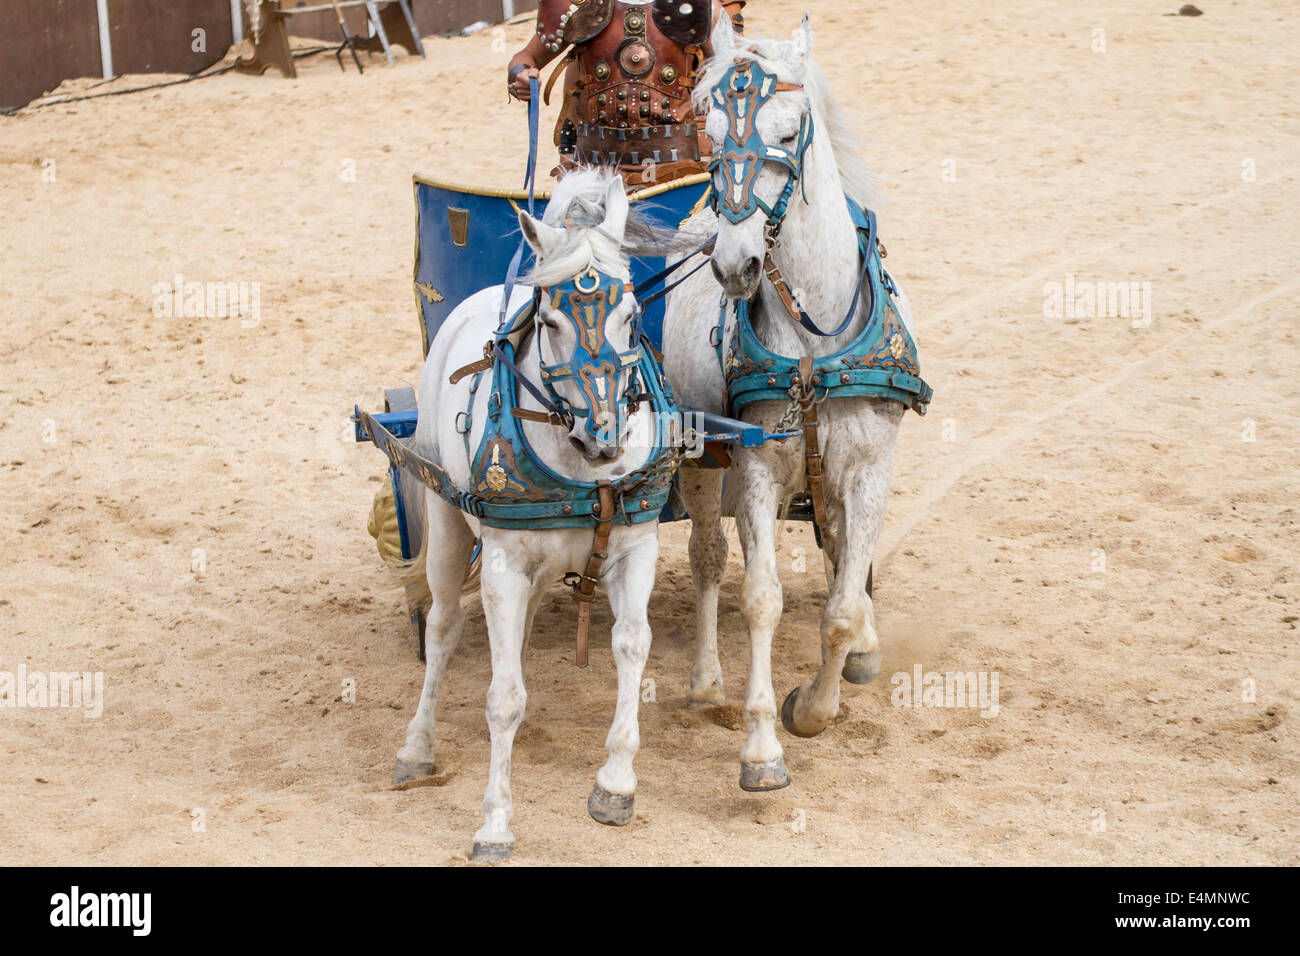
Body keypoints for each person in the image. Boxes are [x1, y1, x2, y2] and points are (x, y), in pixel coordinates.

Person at [507, 0, 747, 186]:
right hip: (594, 172)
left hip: (681, 170)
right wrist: (521, 74)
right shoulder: (580, 6)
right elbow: (526, 57)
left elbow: (738, 79)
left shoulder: (703, 7)